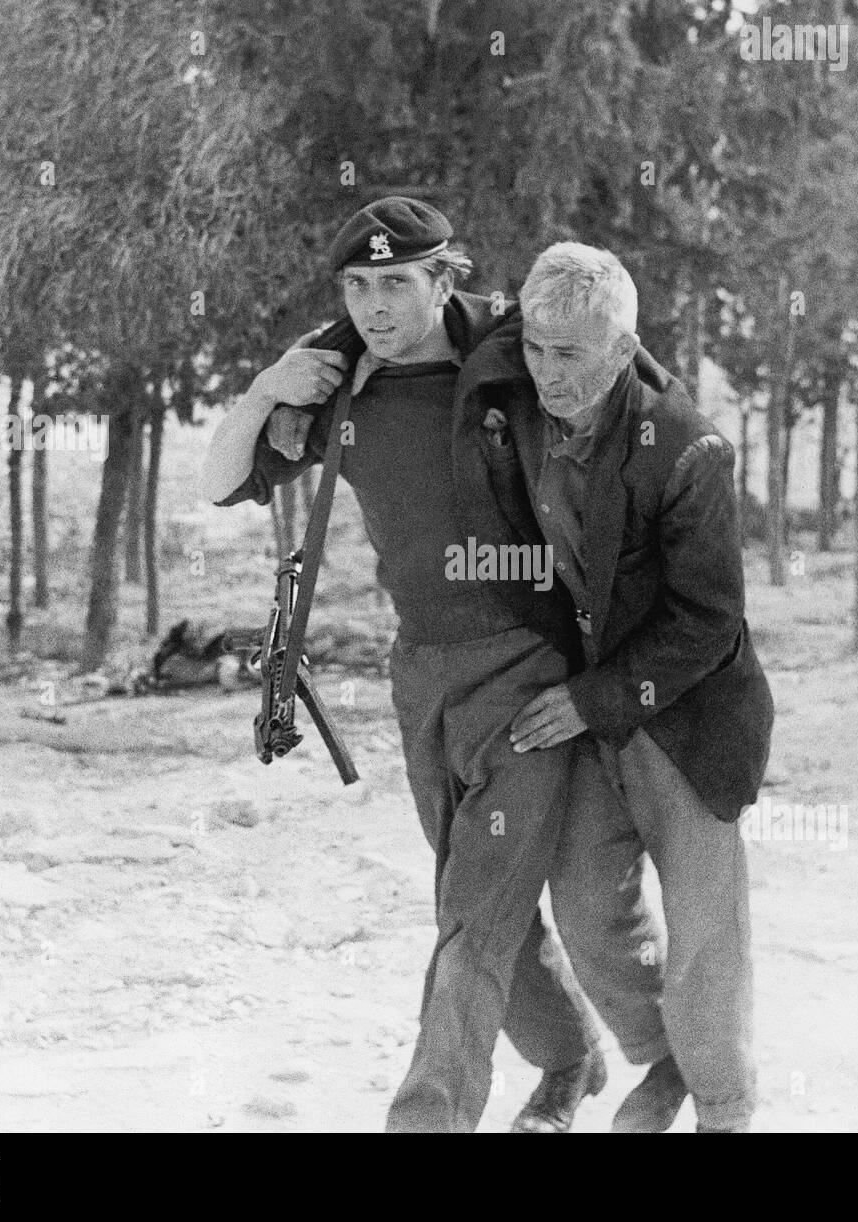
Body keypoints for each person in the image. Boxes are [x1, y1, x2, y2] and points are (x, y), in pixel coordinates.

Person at [201, 199, 659, 1132]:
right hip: (421, 673)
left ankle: (429, 1116)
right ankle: (569, 1059)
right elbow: (219, 481)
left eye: (397, 282)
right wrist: (264, 391)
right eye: (358, 285)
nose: (375, 304)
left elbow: (647, 396)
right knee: (476, 898)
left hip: (530, 667)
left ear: (442, 279)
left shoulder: (514, 344)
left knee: (477, 907)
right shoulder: (334, 379)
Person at [458, 241, 775, 1132]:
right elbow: (428, 305)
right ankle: (666, 1061)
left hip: (692, 718)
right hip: (594, 708)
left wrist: (597, 700)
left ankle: (723, 1105)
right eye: (537, 351)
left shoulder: (687, 449)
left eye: (573, 357)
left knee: (706, 940)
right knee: (589, 906)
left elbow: (710, 621)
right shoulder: (522, 375)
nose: (548, 375)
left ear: (623, 347)